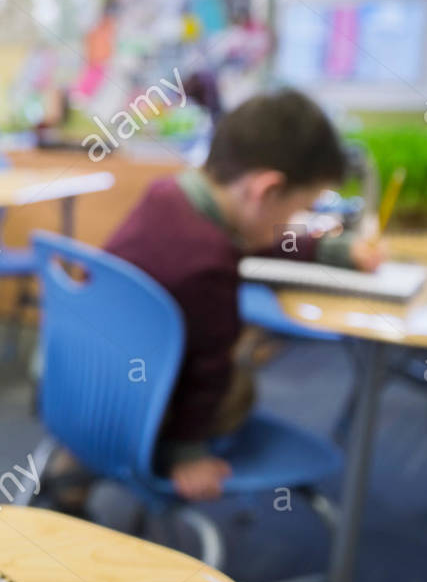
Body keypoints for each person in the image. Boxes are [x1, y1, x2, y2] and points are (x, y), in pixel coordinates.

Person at [103, 88, 383, 501]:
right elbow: (207, 372)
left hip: (87, 383)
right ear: (266, 189)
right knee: (238, 384)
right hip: (144, 415)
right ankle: (172, 451)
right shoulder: (210, 266)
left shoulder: (167, 195)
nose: (292, 223)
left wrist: (326, 248)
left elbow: (248, 237)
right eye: (296, 212)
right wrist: (188, 453)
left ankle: (71, 473)